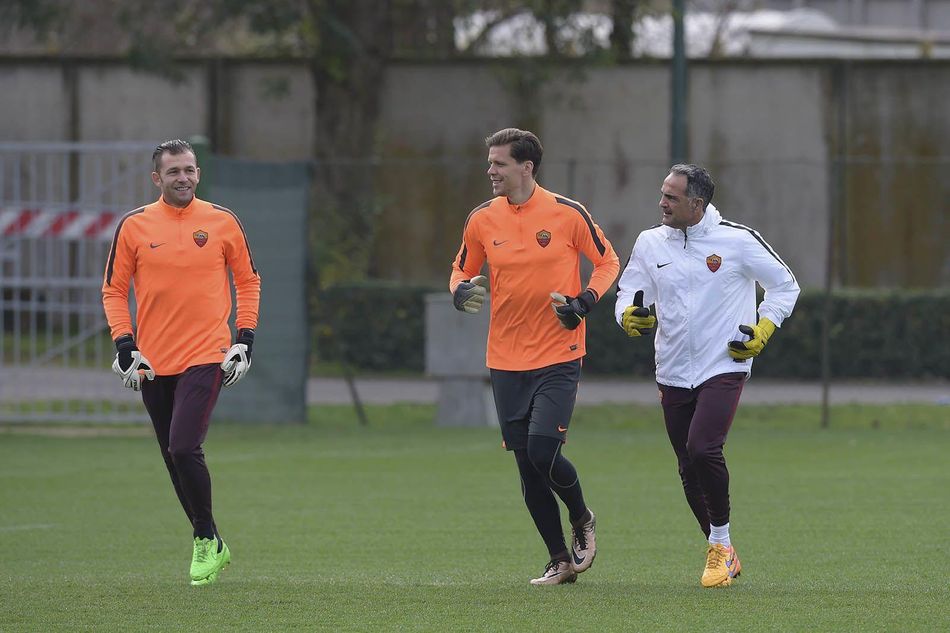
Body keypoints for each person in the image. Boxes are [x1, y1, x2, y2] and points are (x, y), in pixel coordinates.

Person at [615, 164, 800, 588]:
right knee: (687, 465)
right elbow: (629, 292)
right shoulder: (649, 242)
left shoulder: (738, 240)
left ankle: (719, 545)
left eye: (672, 197)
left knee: (703, 448)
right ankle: (723, 550)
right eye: (663, 193)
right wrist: (627, 315)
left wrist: (764, 328)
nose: (662, 203)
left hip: (725, 363)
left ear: (696, 204)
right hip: (671, 367)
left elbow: (786, 285)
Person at [450, 128, 620, 585]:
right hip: (505, 358)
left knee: (544, 451)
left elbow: (608, 261)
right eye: (490, 162)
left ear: (526, 167)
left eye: (499, 163)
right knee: (527, 466)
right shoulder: (481, 219)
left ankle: (581, 517)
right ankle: (559, 560)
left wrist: (584, 301)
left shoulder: (568, 213)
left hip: (559, 352)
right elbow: (461, 270)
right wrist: (460, 291)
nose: (490, 170)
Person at [102, 139, 261, 586]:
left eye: (189, 170)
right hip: (153, 361)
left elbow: (248, 281)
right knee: (172, 456)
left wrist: (245, 339)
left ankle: (206, 538)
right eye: (174, 171)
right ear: (157, 178)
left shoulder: (222, 221)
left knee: (184, 446)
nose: (183, 178)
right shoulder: (134, 225)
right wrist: (125, 343)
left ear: (198, 174)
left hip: (207, 353)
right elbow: (114, 290)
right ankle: (211, 539)